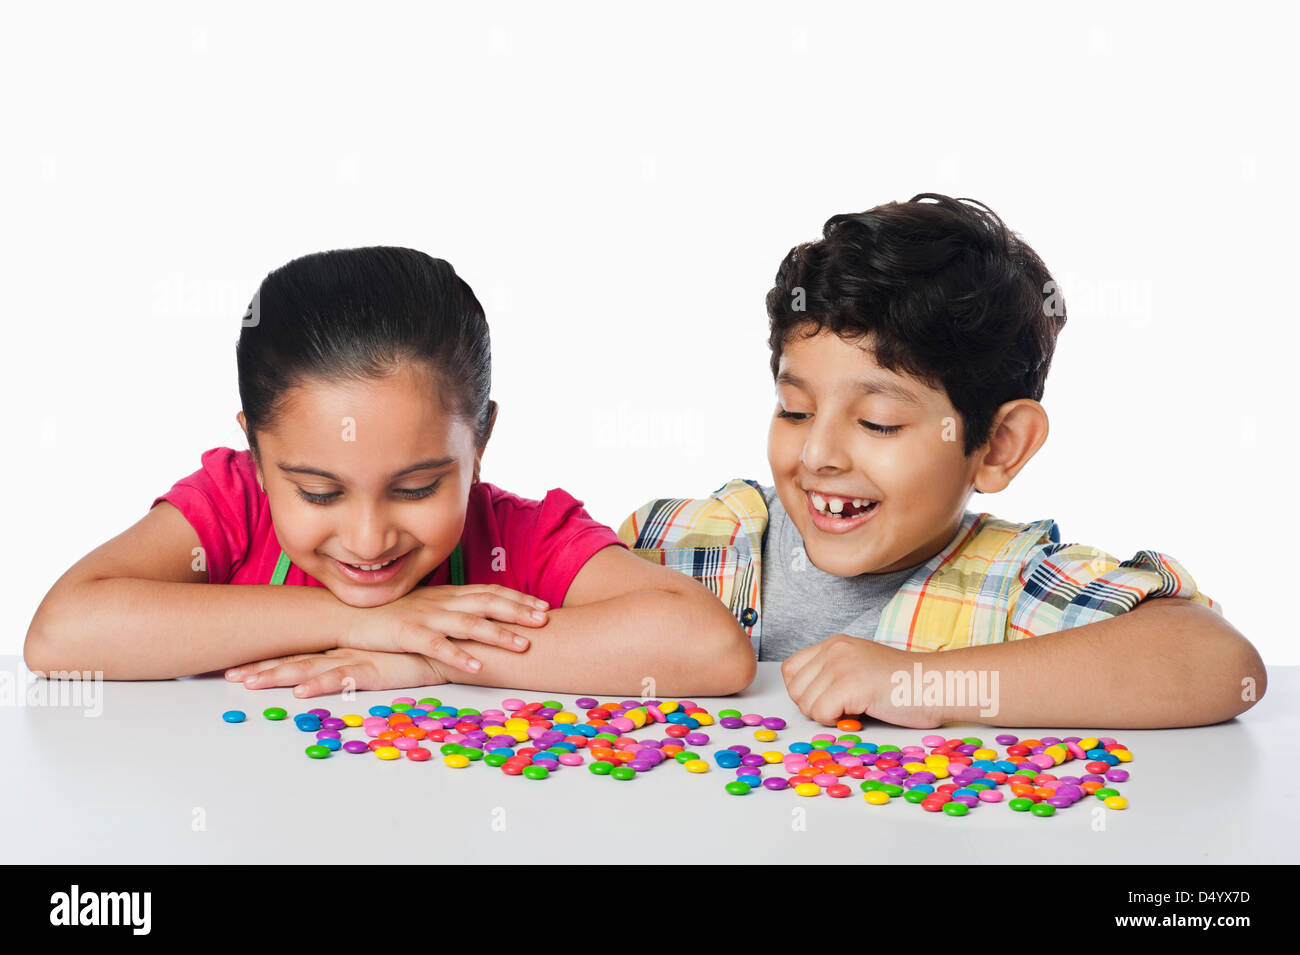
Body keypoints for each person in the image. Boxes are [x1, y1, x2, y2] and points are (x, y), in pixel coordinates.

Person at [618, 194, 1265, 728]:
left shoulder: (1012, 584)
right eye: (795, 409)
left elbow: (1221, 666)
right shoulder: (675, 541)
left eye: (879, 422)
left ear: (999, 444)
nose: (818, 453)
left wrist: (919, 682)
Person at [25, 247, 755, 699]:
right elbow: (62, 635)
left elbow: (708, 646)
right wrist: (360, 621)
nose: (369, 537)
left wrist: (435, 658)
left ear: (481, 441)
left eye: (416, 488)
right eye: (318, 491)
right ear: (254, 453)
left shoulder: (516, 538)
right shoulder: (232, 506)